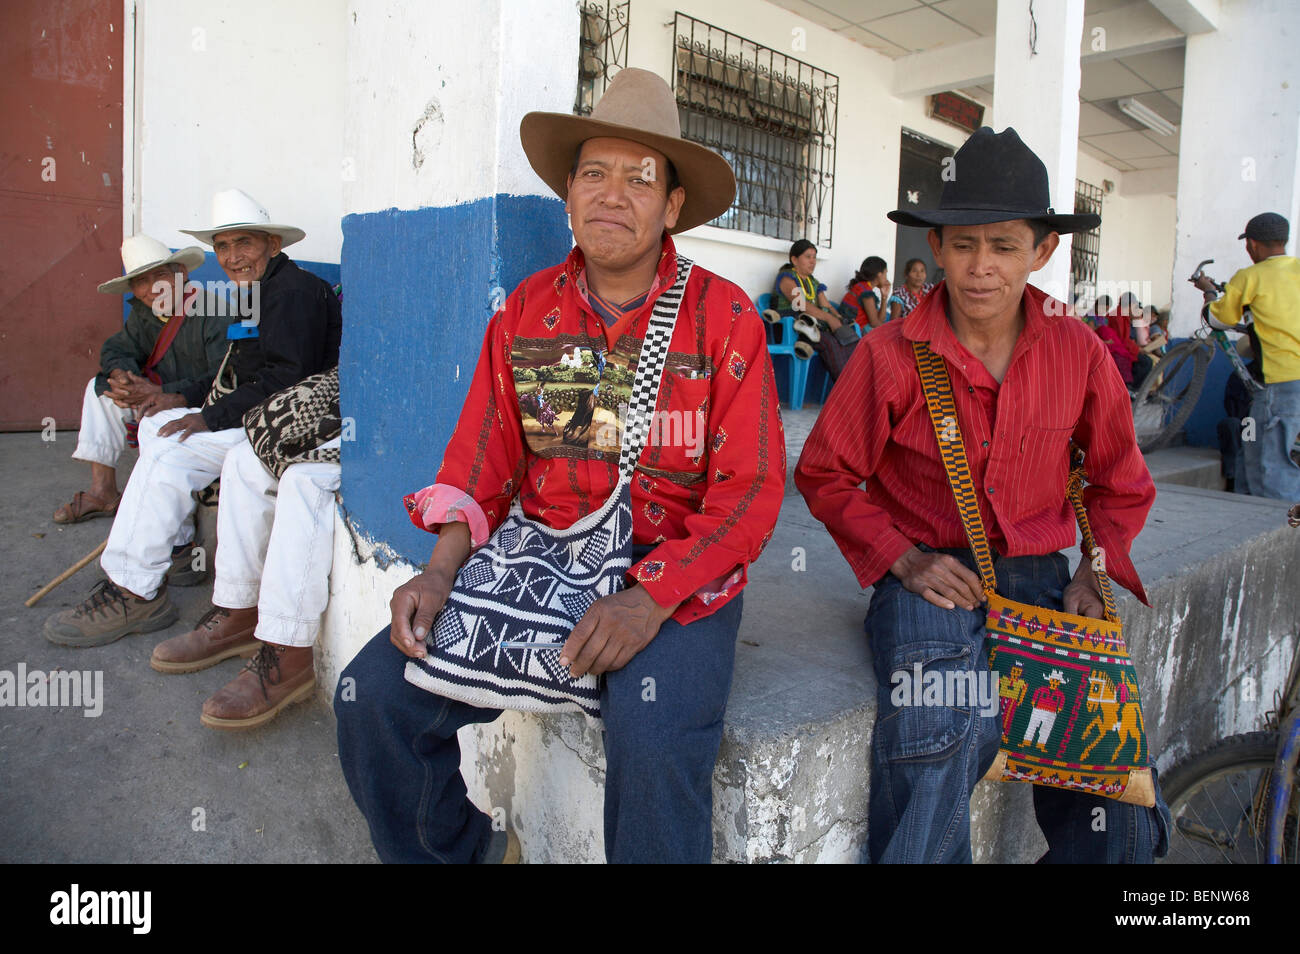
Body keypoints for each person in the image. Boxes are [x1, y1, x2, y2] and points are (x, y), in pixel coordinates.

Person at [333, 68, 785, 864]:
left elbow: (747, 496)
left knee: (651, 737)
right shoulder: (528, 311)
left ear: (673, 206)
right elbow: (485, 455)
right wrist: (439, 574)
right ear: (568, 195)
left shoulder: (726, 319)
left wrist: (647, 601)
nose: (614, 195)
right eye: (594, 173)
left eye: (640, 179)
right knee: (371, 698)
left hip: (673, 574)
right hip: (546, 555)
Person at [795, 126, 1169, 863]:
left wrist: (1097, 569)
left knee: (1113, 787)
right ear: (936, 247)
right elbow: (824, 472)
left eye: (1003, 246)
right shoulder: (890, 353)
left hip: (1041, 577)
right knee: (938, 737)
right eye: (963, 245)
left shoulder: (1080, 350)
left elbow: (1120, 481)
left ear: (1042, 251)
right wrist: (901, 559)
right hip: (927, 579)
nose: (981, 268)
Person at [44, 189, 343, 656]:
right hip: (259, 415)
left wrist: (208, 417)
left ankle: (135, 589)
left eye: (243, 243)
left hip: (289, 428)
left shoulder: (294, 294)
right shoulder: (260, 292)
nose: (231, 256)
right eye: (222, 247)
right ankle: (153, 566)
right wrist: (178, 397)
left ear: (273, 245)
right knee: (160, 432)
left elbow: (285, 380)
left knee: (170, 449)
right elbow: (232, 372)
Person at [55, 235, 230, 528]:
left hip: (198, 405)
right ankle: (104, 491)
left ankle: (172, 525)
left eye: (160, 276)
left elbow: (222, 378)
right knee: (101, 389)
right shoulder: (143, 314)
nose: (151, 290)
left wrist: (166, 392)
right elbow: (118, 349)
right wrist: (122, 376)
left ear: (182, 274)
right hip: (154, 396)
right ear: (133, 289)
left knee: (160, 425)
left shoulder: (214, 311)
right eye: (140, 281)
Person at [1193, 212, 1300, 499]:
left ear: (1252, 244)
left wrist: (1209, 293)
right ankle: (1249, 512)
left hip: (1282, 379)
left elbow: (1217, 319)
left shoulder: (1251, 276)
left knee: (1274, 464)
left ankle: (1282, 537)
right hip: (1281, 389)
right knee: (1257, 447)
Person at [774, 239, 858, 380]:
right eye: (808, 257)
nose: (812, 262)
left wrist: (838, 319)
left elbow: (826, 305)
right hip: (791, 329)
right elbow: (800, 305)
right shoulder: (787, 278)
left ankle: (855, 384)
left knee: (848, 339)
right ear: (794, 259)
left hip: (812, 328)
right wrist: (829, 319)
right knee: (829, 342)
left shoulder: (813, 282)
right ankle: (846, 387)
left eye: (814, 257)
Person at [841, 256, 890, 331]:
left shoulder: (861, 286)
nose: (886, 278)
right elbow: (874, 324)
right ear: (879, 274)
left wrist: (884, 297)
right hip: (856, 330)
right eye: (885, 273)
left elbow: (880, 319)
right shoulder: (866, 292)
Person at [886, 258, 934, 322]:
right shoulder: (899, 293)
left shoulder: (930, 288)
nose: (919, 275)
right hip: (908, 330)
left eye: (922, 271)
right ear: (906, 275)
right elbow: (894, 322)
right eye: (914, 271)